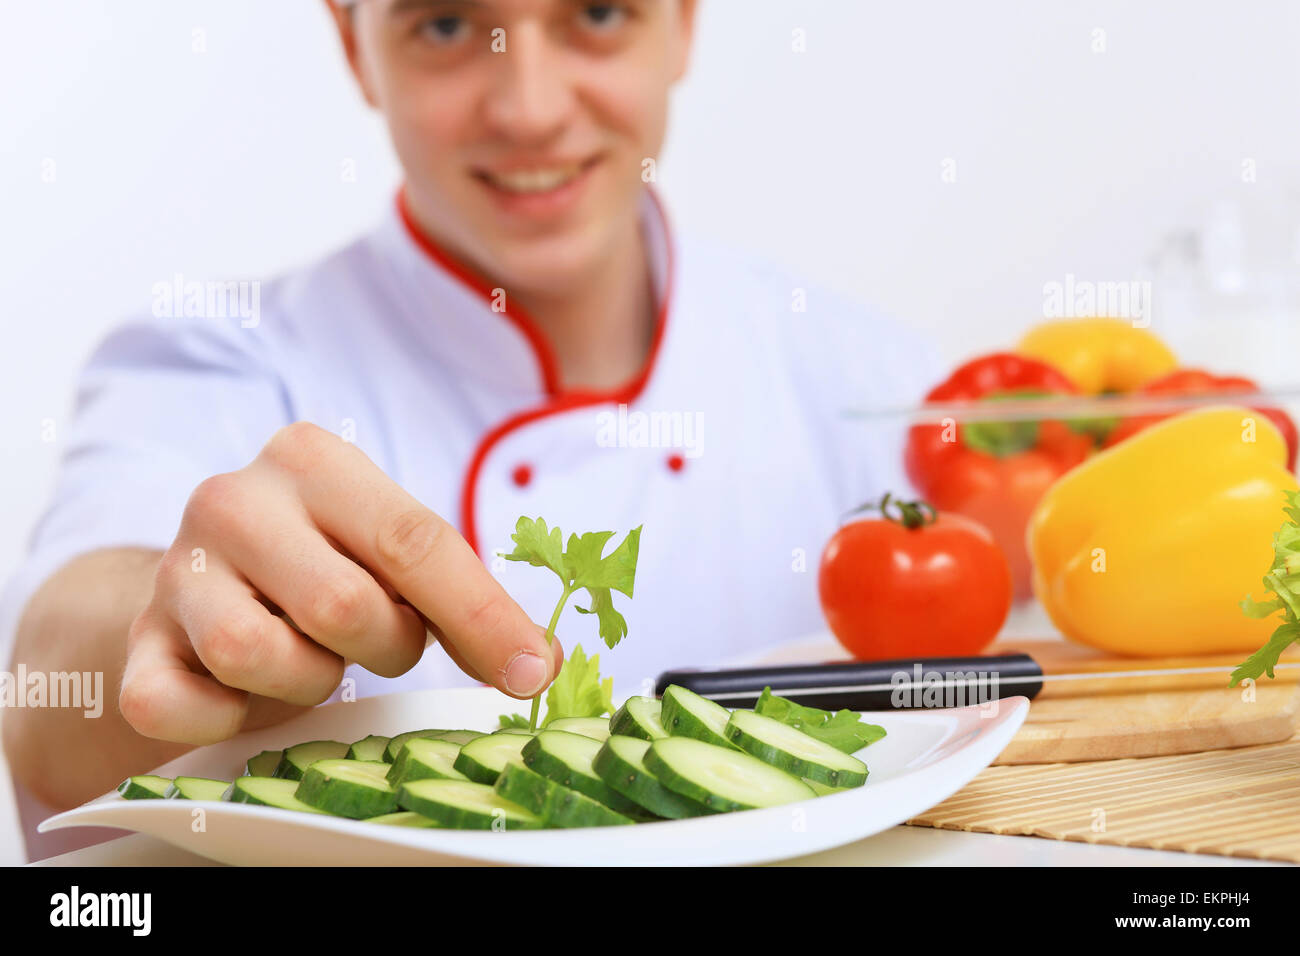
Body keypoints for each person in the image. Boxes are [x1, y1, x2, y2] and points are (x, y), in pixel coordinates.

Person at [0, 0, 938, 851]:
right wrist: (187, 614)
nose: (528, 108)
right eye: (446, 25)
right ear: (352, 44)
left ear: (684, 22)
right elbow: (45, 690)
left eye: (599, 13)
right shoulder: (209, 363)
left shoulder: (866, 377)